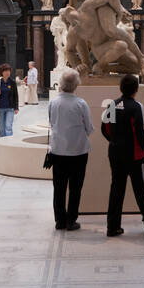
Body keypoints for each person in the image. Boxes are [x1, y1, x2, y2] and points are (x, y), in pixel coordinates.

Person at [103, 73, 144, 237]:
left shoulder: (112, 104)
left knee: (116, 188)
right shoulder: (136, 106)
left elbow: (105, 128)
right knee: (141, 189)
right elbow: (139, 131)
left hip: (115, 152)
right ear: (136, 89)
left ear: (120, 88)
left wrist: (115, 141)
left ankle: (113, 226)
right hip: (134, 155)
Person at [48, 67, 93, 230]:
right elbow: (89, 127)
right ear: (76, 85)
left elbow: (52, 123)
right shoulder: (81, 103)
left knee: (58, 188)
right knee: (75, 188)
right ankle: (71, 220)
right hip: (78, 152)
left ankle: (59, 220)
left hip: (58, 151)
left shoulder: (53, 102)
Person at [0, 63, 18, 136]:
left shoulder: (12, 83)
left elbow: (15, 96)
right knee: (1, 129)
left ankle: (8, 144)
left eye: (8, 71)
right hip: (0, 109)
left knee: (8, 127)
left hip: (10, 108)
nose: (7, 73)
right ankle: (3, 143)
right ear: (2, 72)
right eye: (5, 71)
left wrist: (16, 108)